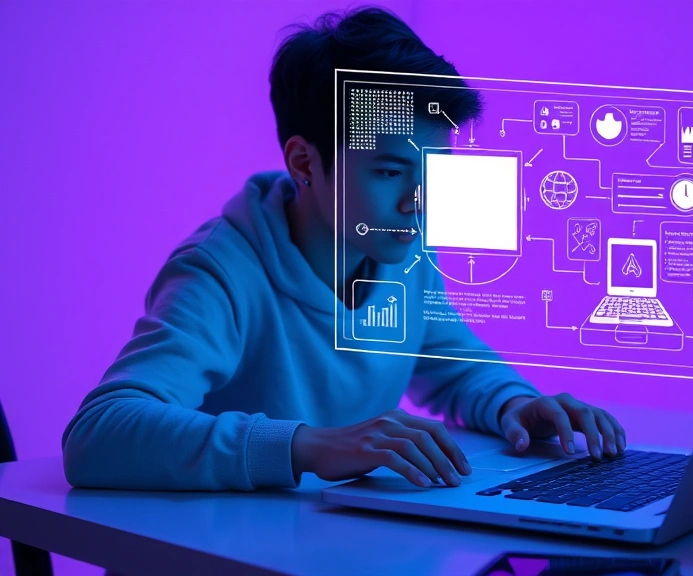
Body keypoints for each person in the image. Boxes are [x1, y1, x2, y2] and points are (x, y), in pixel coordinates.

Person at [62, 6, 627, 493]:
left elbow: (455, 371)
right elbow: (97, 433)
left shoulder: (400, 251)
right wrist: (307, 447)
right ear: (303, 162)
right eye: (389, 170)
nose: (419, 201)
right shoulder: (220, 272)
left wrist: (516, 407)